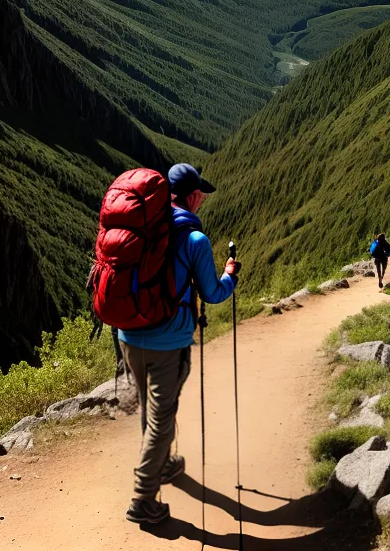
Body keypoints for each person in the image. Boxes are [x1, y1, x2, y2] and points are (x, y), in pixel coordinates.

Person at [119, 163, 240, 526]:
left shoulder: (141, 225)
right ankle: (142, 498)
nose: (202, 198)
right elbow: (213, 293)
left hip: (128, 334)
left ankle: (165, 463)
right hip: (168, 342)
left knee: (151, 409)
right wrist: (231, 276)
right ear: (191, 196)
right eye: (200, 193)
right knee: (162, 417)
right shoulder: (194, 239)